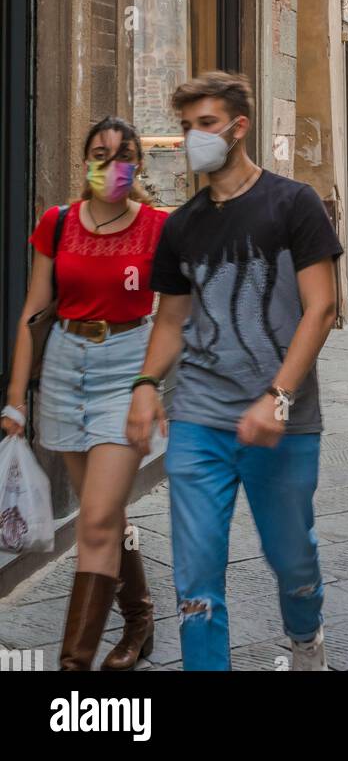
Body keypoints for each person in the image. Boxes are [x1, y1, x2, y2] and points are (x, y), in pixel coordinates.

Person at [125, 72, 341, 672]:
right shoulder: (181, 227)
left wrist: (278, 396)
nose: (194, 137)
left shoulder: (293, 204)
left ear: (239, 128)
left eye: (206, 124)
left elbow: (321, 307)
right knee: (195, 579)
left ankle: (305, 634)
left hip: (285, 420)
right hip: (198, 417)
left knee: (293, 559)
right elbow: (170, 321)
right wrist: (146, 385)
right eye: (187, 126)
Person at [1, 118, 167, 672]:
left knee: (96, 519)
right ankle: (139, 616)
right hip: (65, 368)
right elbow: (32, 311)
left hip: (126, 366)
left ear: (137, 165)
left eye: (121, 156)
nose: (109, 165)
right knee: (106, 515)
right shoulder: (58, 222)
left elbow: (174, 317)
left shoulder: (156, 228)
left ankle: (72, 670)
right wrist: (15, 398)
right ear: (85, 160)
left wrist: (151, 385)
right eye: (99, 153)